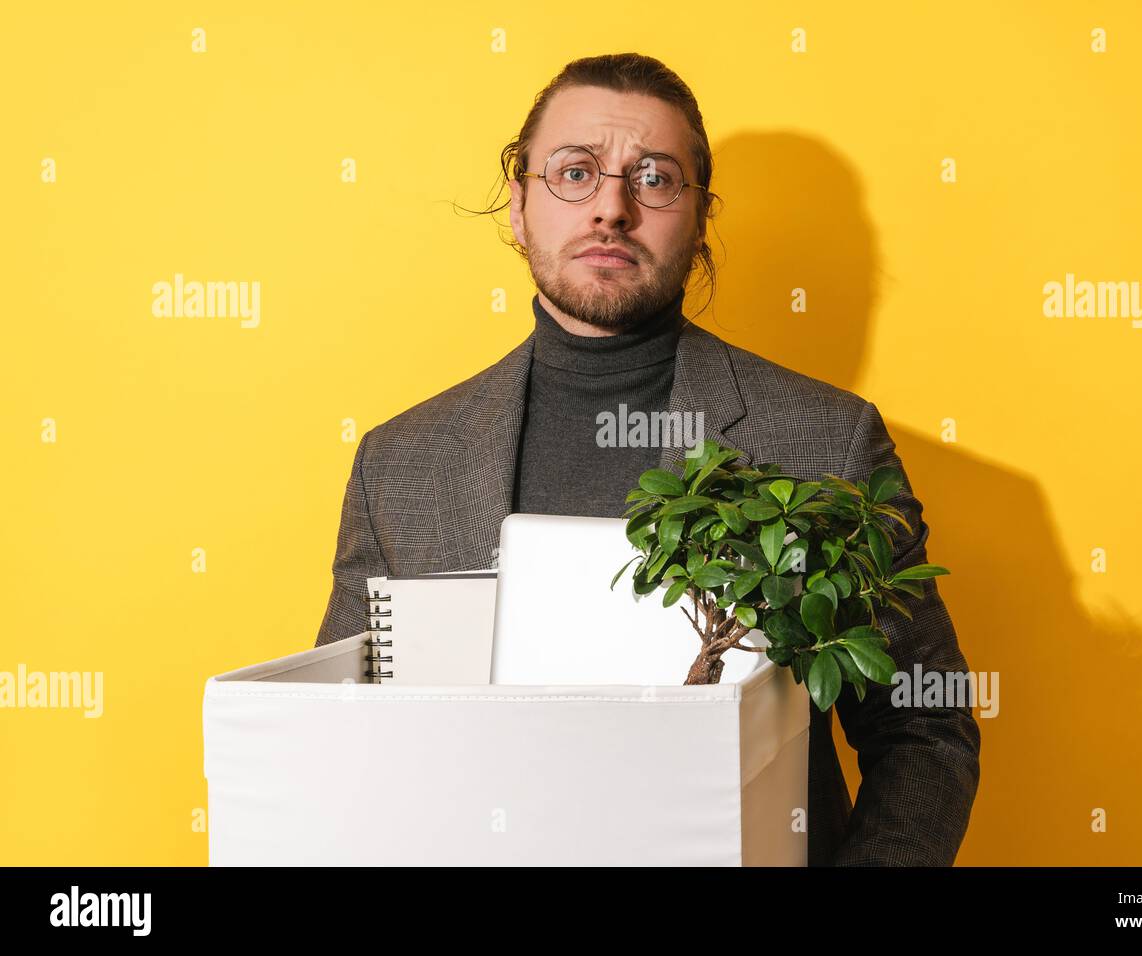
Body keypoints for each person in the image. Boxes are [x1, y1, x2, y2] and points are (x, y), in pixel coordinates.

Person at [315, 52, 979, 866]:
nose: (611, 209)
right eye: (575, 172)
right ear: (519, 206)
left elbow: (925, 724)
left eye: (654, 178)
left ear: (699, 218)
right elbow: (341, 738)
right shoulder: (401, 462)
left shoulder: (827, 439)